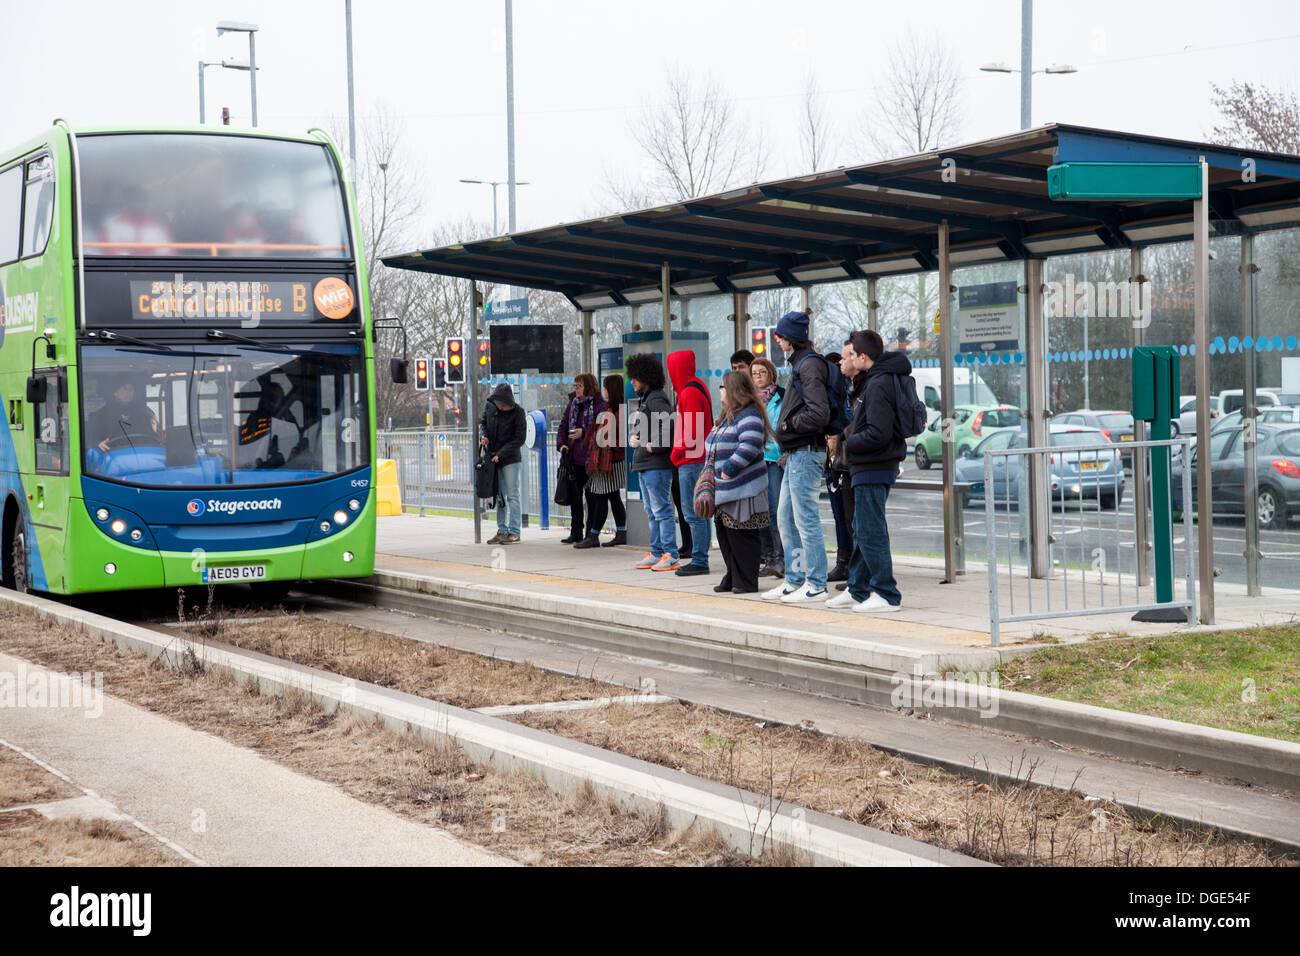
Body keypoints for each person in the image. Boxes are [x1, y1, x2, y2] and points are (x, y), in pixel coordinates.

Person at [828, 329, 907, 614]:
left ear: (862, 357)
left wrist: (848, 441)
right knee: (861, 528)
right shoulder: (876, 381)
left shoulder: (878, 384)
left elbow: (878, 432)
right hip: (871, 465)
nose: (844, 359)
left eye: (850, 354)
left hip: (873, 466)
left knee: (871, 530)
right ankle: (858, 588)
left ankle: (886, 593)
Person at [762, 311, 830, 605]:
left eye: (779, 336)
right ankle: (795, 579)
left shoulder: (809, 365)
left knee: (805, 520)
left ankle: (816, 583)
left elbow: (819, 412)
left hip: (805, 452)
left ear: (789, 338)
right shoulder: (800, 363)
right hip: (795, 454)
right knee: (785, 519)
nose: (777, 340)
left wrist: (788, 426)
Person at [706, 371, 772, 594]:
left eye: (723, 387)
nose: (721, 391)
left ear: (733, 389)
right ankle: (733, 575)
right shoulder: (728, 414)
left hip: (743, 488)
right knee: (726, 534)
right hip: (725, 489)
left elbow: (751, 444)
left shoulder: (749, 414)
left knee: (742, 535)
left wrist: (728, 469)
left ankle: (746, 580)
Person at [627, 354, 679, 571]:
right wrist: (635, 438)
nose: (632, 382)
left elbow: (667, 426)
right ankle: (658, 551)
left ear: (644, 377)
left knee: (661, 510)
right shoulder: (649, 398)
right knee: (653, 510)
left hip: (656, 465)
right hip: (648, 464)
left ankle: (670, 553)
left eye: (635, 378)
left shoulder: (655, 398)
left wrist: (652, 446)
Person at [668, 350, 712, 577]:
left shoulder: (688, 392)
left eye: (671, 368)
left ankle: (699, 559)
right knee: (699, 512)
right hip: (696, 457)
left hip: (690, 459)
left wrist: (676, 453)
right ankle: (700, 557)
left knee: (693, 513)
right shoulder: (697, 387)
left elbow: (691, 431)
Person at [577, 373, 628, 549]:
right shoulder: (612, 409)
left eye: (606, 387)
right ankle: (620, 531)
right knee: (612, 497)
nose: (604, 390)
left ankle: (594, 535)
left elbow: (614, 437)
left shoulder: (616, 412)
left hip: (609, 461)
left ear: (612, 390)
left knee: (601, 497)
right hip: (609, 460)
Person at [557, 373, 602, 543]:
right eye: (575, 385)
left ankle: (591, 534)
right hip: (573, 457)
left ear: (589, 387)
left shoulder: (598, 405)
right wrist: (561, 444)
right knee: (575, 497)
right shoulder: (572, 404)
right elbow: (563, 425)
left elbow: (599, 427)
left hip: (590, 458)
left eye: (580, 385)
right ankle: (576, 531)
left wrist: (583, 432)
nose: (576, 389)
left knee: (592, 499)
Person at [480, 383, 527, 545]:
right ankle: (502, 530)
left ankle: (514, 531)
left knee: (512, 494)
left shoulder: (518, 412)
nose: (500, 407)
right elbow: (483, 423)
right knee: (499, 496)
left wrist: (501, 454)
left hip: (509, 458)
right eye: (499, 404)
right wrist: (484, 436)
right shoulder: (491, 408)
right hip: (494, 457)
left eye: (503, 404)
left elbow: (519, 439)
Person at [751, 357, 785, 578]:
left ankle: (780, 559)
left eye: (762, 372)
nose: (758, 376)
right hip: (755, 461)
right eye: (754, 373)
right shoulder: (749, 400)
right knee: (760, 512)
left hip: (775, 460)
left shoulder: (782, 396)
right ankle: (768, 557)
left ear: (771, 374)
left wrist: (785, 452)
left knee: (775, 510)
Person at [824, 351, 853, 585]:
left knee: (848, 517)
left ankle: (850, 564)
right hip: (833, 461)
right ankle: (844, 562)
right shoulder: (833, 391)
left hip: (845, 461)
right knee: (839, 515)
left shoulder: (847, 391)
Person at [91, 376, 160, 452]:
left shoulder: (142, 413)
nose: (129, 392)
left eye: (131, 389)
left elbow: (151, 437)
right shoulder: (102, 414)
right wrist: (97, 444)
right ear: (115, 392)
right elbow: (92, 440)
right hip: (112, 454)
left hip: (140, 453)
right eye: (125, 389)